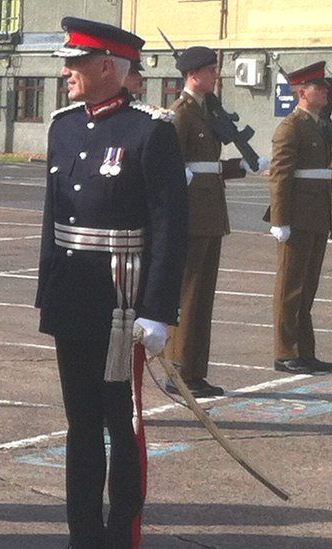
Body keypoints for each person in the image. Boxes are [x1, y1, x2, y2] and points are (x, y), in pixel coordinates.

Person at [36, 18, 188, 549]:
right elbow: (54, 219)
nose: (66, 70)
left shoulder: (151, 130)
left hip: (123, 302)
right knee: (80, 424)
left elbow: (170, 225)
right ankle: (83, 534)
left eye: (75, 62)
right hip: (73, 295)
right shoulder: (63, 125)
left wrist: (159, 308)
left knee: (121, 424)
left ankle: (123, 534)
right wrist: (46, 292)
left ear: (108, 66)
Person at [166, 47, 265, 397]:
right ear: (193, 74)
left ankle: (195, 370)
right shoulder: (181, 114)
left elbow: (210, 168)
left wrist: (242, 166)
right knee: (189, 295)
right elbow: (172, 167)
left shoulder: (207, 111)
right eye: (211, 70)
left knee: (203, 298)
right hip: (193, 217)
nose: (216, 76)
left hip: (210, 215)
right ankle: (178, 370)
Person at [266, 61, 332, 375]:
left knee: (307, 289)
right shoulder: (291, 127)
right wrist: (280, 220)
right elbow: (280, 176)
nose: (325, 92)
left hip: (318, 216)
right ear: (302, 93)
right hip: (297, 217)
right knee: (290, 288)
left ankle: (305, 351)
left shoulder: (320, 124)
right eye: (319, 88)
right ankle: (285, 351)